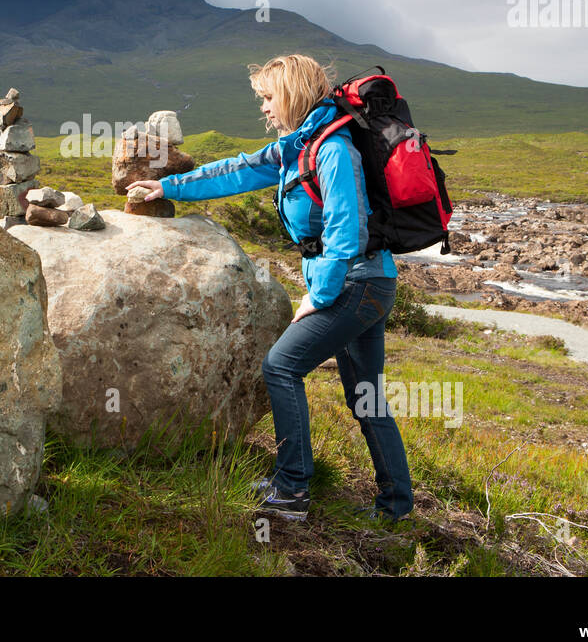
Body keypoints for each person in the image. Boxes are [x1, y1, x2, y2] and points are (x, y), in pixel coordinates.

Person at [126, 53, 413, 523]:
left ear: (293, 95)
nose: (262, 107)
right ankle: (396, 510)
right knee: (367, 398)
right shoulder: (298, 145)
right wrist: (169, 188)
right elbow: (236, 170)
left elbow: (347, 232)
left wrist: (318, 297)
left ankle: (292, 489)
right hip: (368, 282)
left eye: (267, 97)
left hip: (357, 286)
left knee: (280, 366)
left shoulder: (332, 150)